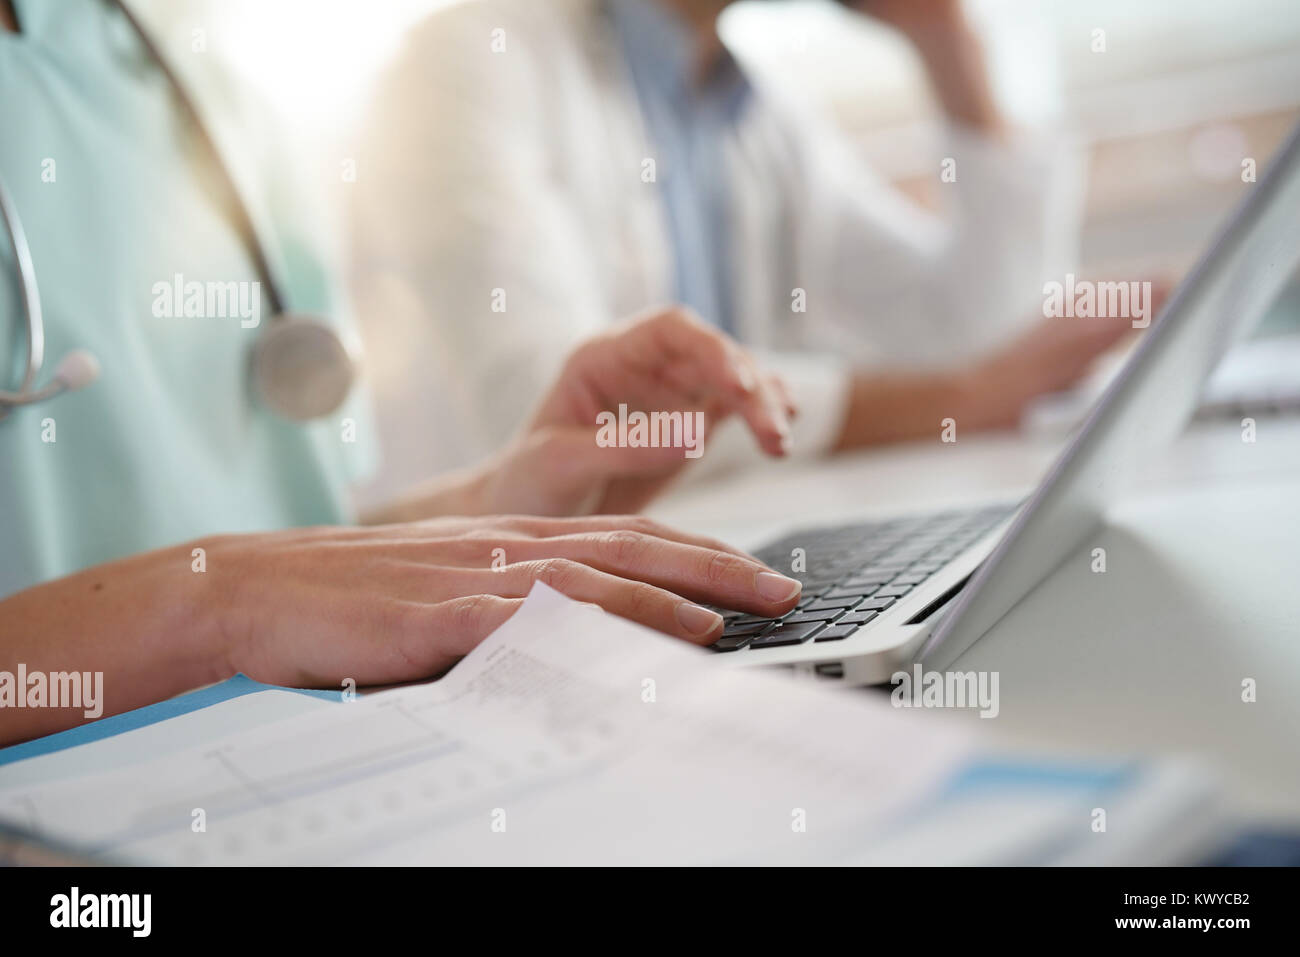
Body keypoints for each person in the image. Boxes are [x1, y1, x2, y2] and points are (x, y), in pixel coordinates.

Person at [0, 0, 806, 747]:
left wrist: (483, 518)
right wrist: (211, 608)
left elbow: (290, 541)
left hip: (318, 752)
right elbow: (237, 591)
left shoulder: (203, 83)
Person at [353, 0, 1138, 494]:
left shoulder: (756, 114)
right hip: (503, 612)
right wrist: (961, 397)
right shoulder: (468, 59)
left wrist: (944, 34)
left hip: (717, 540)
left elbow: (983, 337)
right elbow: (561, 410)